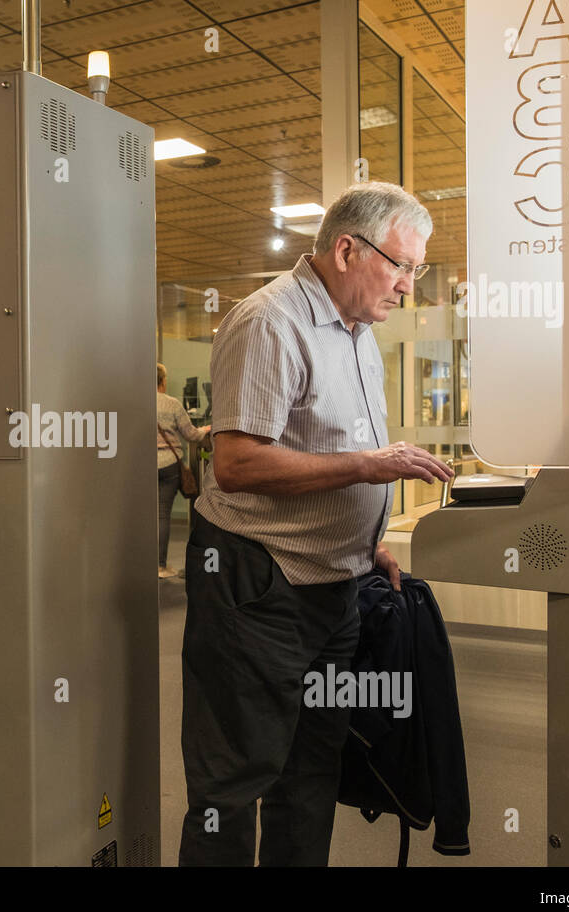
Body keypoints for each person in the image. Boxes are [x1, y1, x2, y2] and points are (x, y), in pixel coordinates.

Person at [179, 182, 455, 866]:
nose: (407, 287)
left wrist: (367, 550)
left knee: (311, 772)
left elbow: (328, 443)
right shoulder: (269, 321)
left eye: (415, 270)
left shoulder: (358, 331)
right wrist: (366, 467)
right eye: (402, 266)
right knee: (234, 780)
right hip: (258, 587)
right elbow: (239, 465)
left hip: (335, 589)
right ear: (346, 249)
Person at [156, 363, 210, 578]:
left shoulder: (137, 403)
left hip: (143, 465)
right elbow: (191, 435)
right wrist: (205, 429)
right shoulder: (172, 404)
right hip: (169, 464)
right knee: (162, 514)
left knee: (143, 515)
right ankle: (160, 566)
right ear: (163, 380)